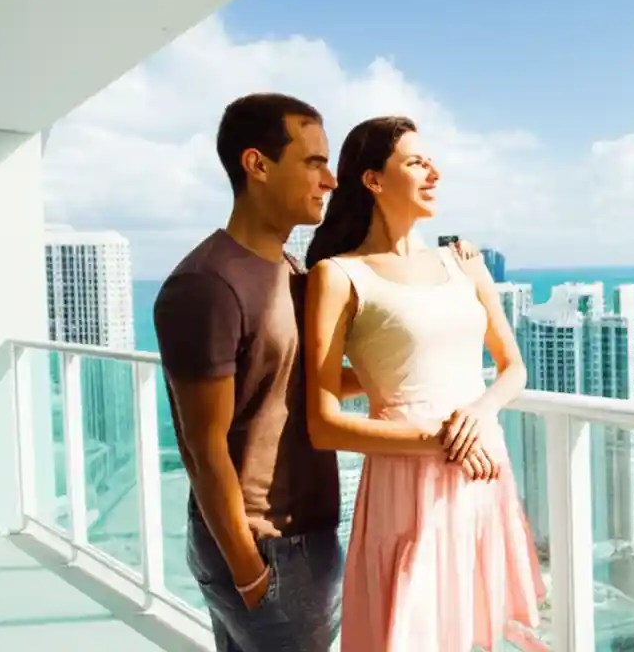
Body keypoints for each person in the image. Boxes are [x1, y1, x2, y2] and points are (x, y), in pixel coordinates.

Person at [153, 93, 479, 652]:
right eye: (313, 162)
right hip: (266, 544)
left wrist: (421, 373)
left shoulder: (286, 269)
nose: (330, 181)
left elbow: (294, 382)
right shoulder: (207, 284)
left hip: (301, 538)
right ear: (257, 165)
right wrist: (248, 570)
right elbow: (203, 449)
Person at [303, 115, 543, 652]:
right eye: (416, 163)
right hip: (407, 482)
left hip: (482, 472)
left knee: (470, 629)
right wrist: (443, 440)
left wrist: (479, 413)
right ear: (373, 179)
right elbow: (323, 425)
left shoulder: (464, 264)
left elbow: (513, 368)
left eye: (432, 161)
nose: (435, 173)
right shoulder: (338, 275)